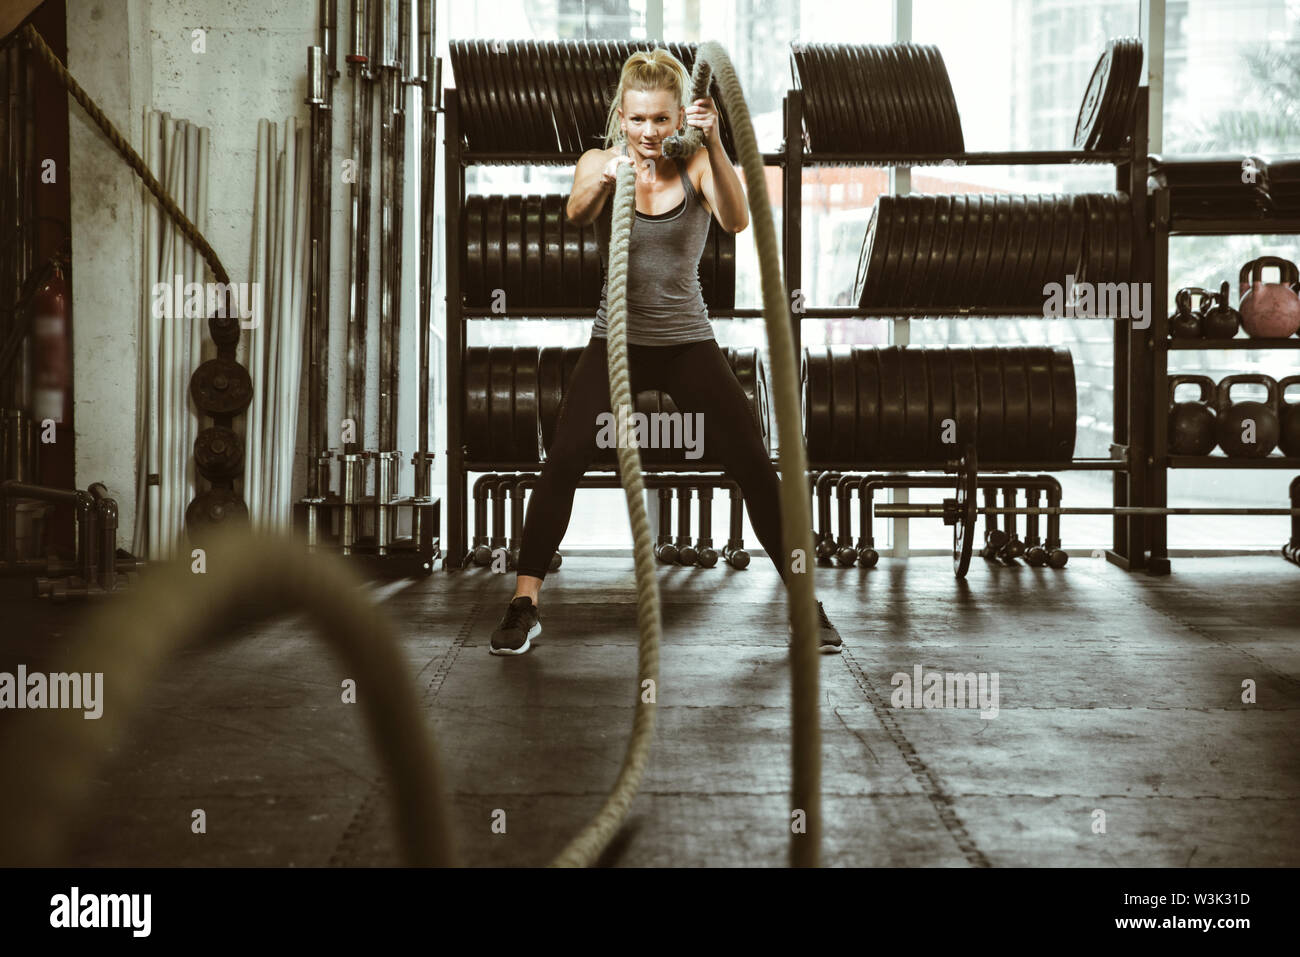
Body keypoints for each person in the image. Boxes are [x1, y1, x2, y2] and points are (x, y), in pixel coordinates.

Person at [489, 48, 840, 656]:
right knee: (567, 453)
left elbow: (735, 220)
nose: (648, 133)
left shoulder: (698, 162)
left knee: (755, 461)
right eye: (637, 120)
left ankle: (804, 604)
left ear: (680, 117)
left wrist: (718, 144)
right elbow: (574, 214)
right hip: (615, 339)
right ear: (620, 117)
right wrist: (603, 179)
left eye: (660, 120)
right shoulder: (600, 161)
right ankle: (524, 602)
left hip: (685, 341)